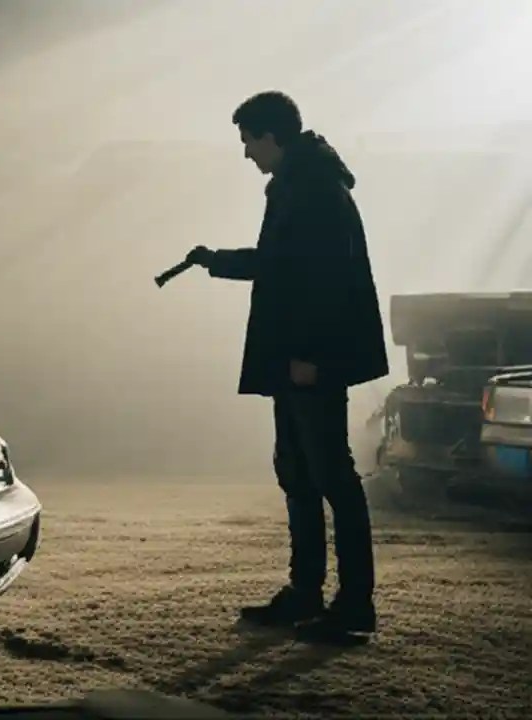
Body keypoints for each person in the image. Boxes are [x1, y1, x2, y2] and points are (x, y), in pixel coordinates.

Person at [185, 91, 389, 644]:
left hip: (308, 360)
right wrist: (217, 261)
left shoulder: (313, 189)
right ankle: (308, 595)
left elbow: (322, 280)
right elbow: (283, 264)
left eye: (248, 141)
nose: (247, 154)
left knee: (329, 476)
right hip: (299, 358)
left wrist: (311, 357)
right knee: (301, 473)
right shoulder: (306, 183)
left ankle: (350, 606)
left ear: (269, 135)